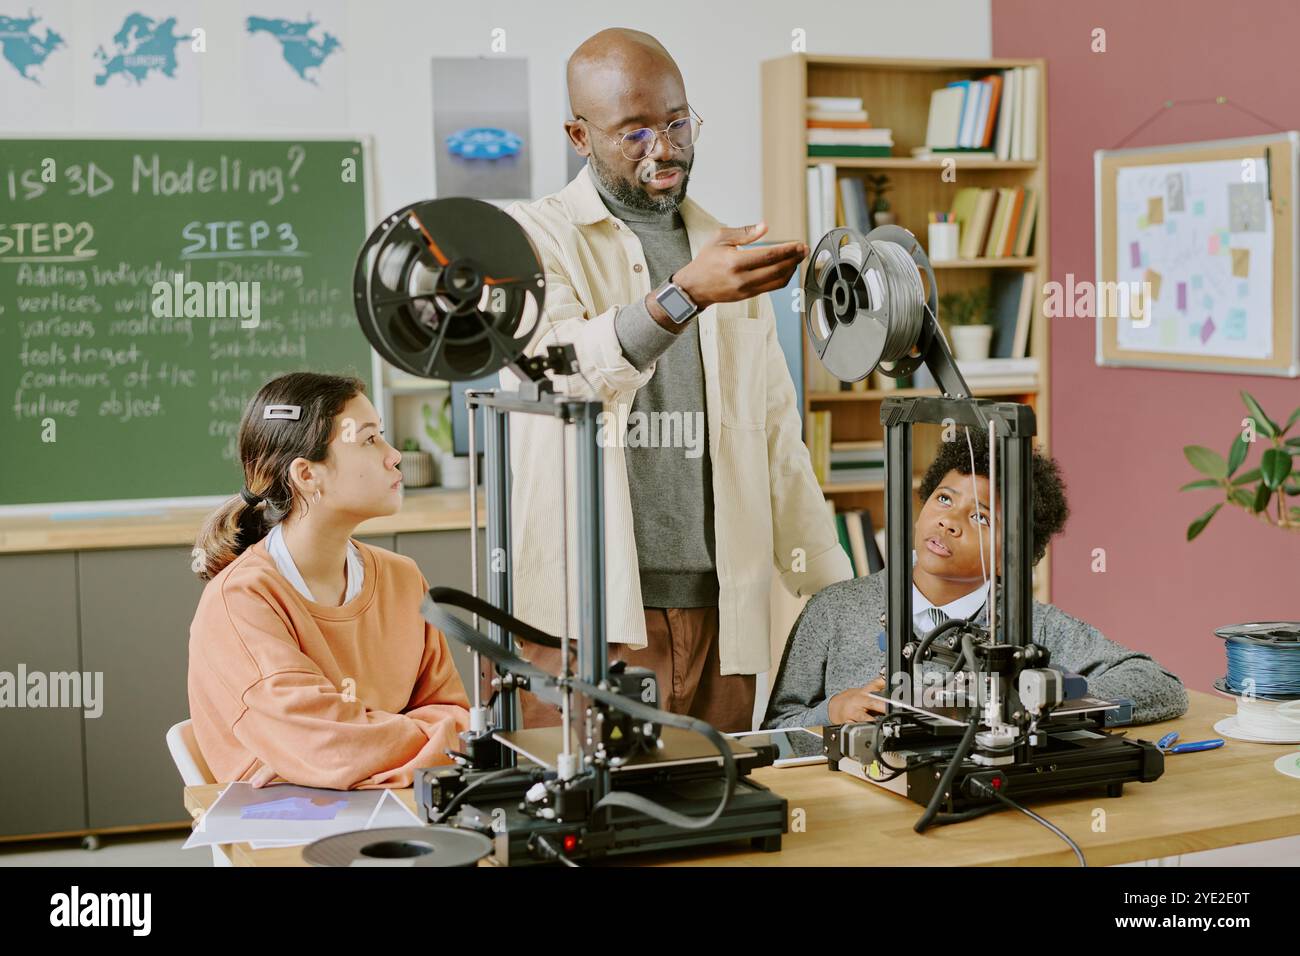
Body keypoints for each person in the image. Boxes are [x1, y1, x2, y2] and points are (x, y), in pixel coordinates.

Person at [502, 28, 851, 734]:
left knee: (716, 826)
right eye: (633, 133)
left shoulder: (723, 246)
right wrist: (685, 294)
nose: (663, 150)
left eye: (676, 122)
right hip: (587, 616)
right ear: (578, 134)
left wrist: (842, 597)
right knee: (588, 830)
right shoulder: (531, 236)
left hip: (727, 613)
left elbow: (776, 434)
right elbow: (560, 369)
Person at [764, 431, 1189, 729]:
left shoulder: (1032, 626)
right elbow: (777, 728)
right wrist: (832, 711)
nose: (949, 521)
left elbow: (1163, 687)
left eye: (981, 517)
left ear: (1011, 557)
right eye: (944, 498)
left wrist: (1045, 696)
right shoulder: (833, 609)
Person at [187, 372, 469, 789]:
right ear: (306, 475)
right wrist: (424, 740)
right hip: (288, 829)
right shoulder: (241, 601)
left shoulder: (403, 578)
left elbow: (458, 719)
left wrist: (361, 753)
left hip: (404, 809)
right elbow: (328, 749)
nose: (393, 456)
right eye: (369, 439)